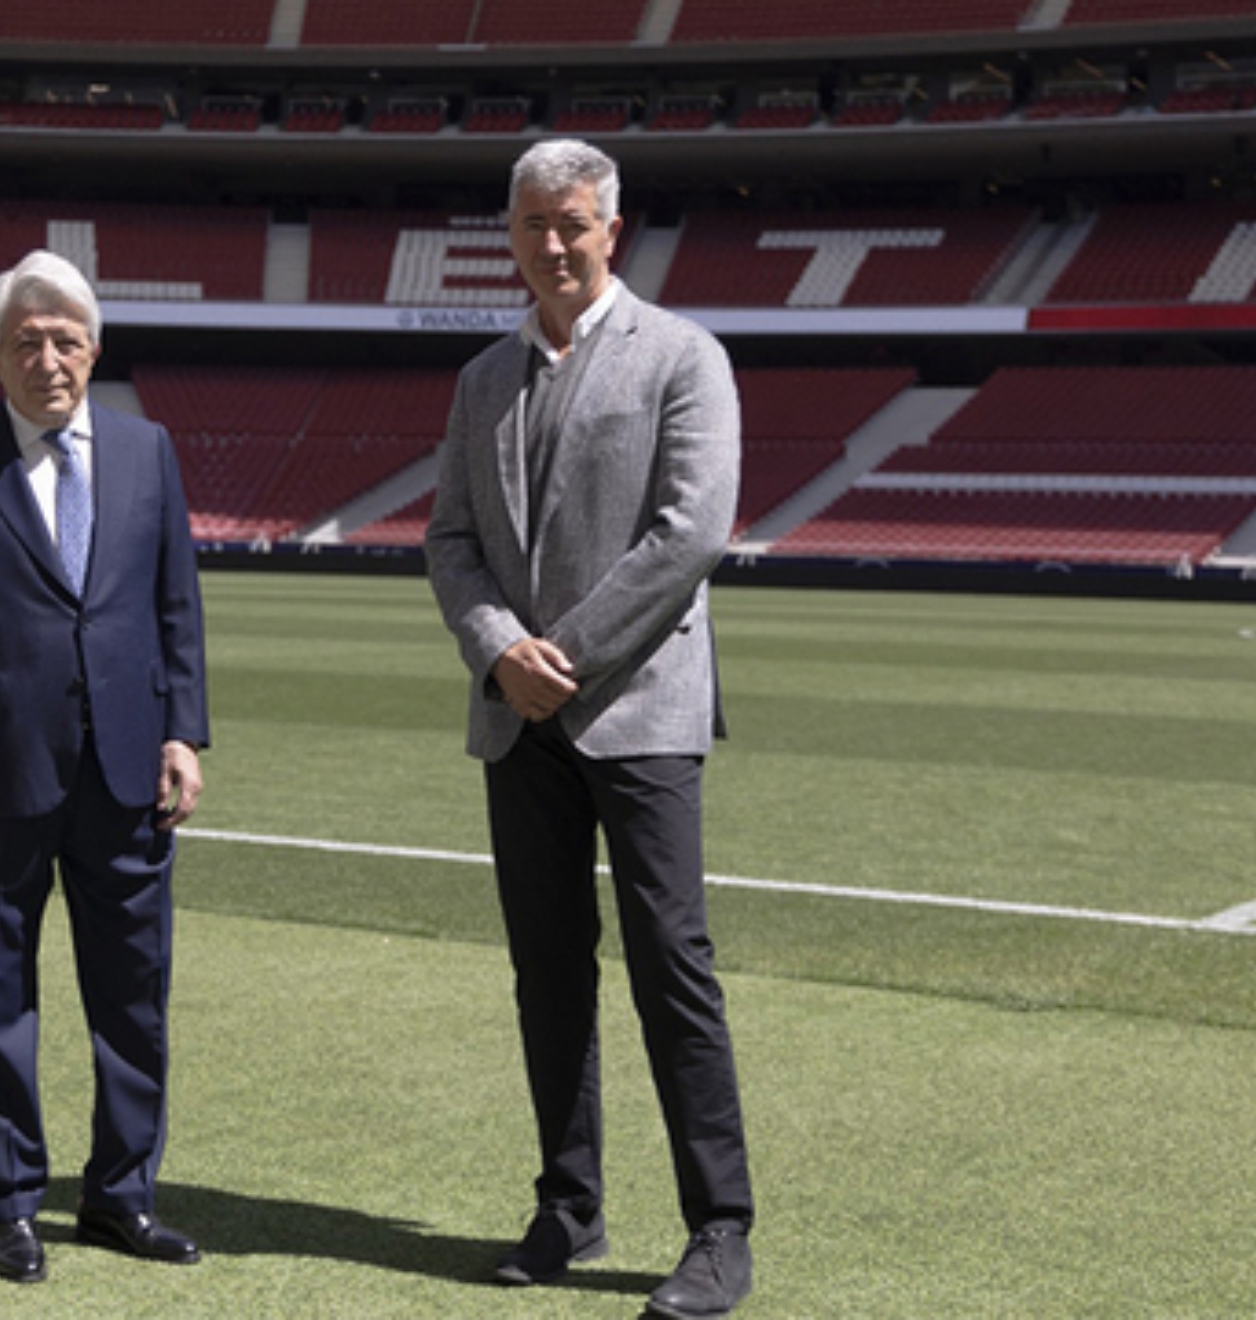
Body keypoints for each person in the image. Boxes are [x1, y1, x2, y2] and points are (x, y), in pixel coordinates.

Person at [424, 139, 756, 1319]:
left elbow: (691, 532)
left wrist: (561, 656)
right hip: (521, 722)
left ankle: (719, 1229)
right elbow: (449, 541)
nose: (552, 245)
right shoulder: (479, 382)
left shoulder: (684, 357)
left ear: (612, 228)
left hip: (642, 714)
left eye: (572, 223)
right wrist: (496, 651)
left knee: (674, 969)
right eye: (530, 225)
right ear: (509, 236)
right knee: (548, 973)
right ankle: (569, 1205)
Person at [0, 249, 209, 1285]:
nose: (47, 356)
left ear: (95, 347)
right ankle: (9, 1205)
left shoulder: (147, 450)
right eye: (24, 340)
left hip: (126, 770)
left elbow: (174, 608)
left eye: (65, 337)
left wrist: (183, 731)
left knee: (135, 995)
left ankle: (121, 1196)